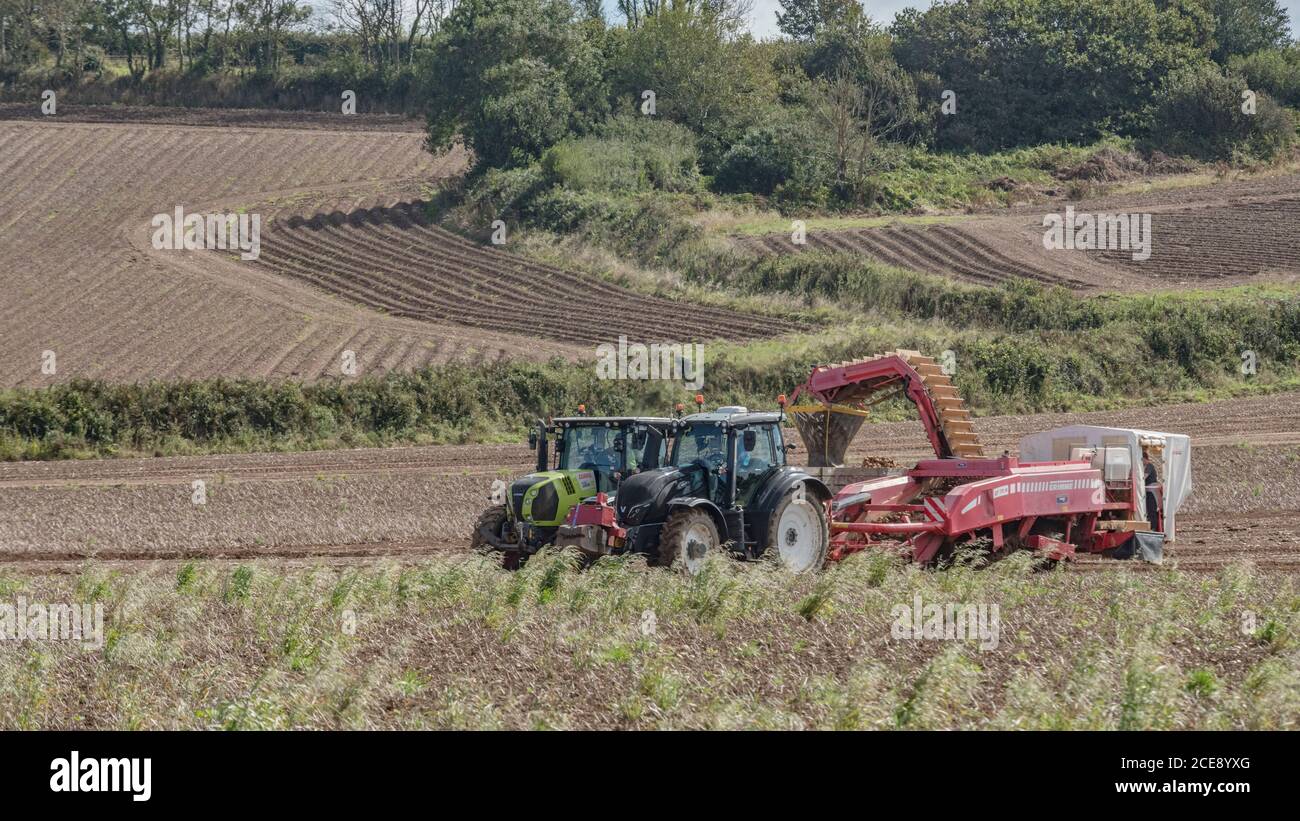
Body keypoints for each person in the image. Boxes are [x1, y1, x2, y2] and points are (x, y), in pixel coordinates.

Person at [1142, 449, 1160, 530]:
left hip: (1151, 492)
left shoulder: (1149, 466)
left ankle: (1153, 528)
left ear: (1145, 459)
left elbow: (1143, 477)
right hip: (1147, 492)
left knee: (1152, 509)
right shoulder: (1145, 467)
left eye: (1142, 460)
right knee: (1148, 510)